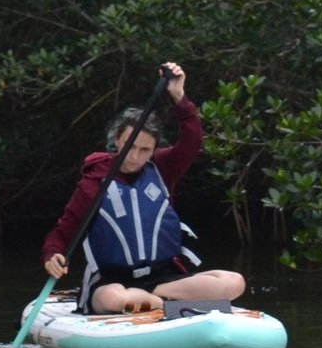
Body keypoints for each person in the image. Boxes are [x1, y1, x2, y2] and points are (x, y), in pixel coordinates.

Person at [40, 62, 247, 315]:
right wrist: (52, 256)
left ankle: (158, 299)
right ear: (117, 141)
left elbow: (192, 141)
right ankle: (164, 305)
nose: (135, 156)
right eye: (130, 146)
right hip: (112, 282)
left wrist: (178, 96)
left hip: (164, 279)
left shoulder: (163, 169)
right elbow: (62, 233)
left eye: (144, 150)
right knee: (117, 300)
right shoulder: (94, 182)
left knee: (235, 283)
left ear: (154, 150)